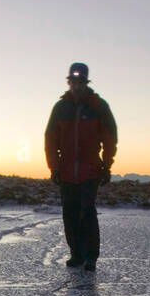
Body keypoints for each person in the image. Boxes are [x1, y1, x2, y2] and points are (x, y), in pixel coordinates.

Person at [44, 62, 117, 271]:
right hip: (66, 171)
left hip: (90, 170)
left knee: (87, 213)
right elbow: (50, 139)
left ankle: (91, 256)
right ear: (69, 82)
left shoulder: (98, 106)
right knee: (69, 214)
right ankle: (76, 254)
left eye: (80, 82)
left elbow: (110, 137)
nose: (76, 86)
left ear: (86, 82)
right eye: (73, 82)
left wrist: (106, 164)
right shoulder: (60, 108)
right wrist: (54, 167)